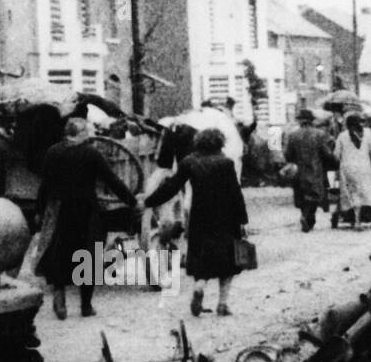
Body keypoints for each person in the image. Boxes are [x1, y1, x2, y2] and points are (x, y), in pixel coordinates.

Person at [33, 118, 138, 319]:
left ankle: (59, 295)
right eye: (87, 131)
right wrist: (132, 201)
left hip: (61, 211)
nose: (89, 134)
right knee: (89, 256)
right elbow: (111, 180)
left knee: (60, 251)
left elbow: (45, 185)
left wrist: (39, 210)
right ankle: (86, 306)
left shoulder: (53, 152)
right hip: (87, 211)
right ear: (80, 133)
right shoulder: (91, 153)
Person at [144, 127, 248, 317]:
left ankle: (200, 286)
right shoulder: (226, 163)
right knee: (228, 260)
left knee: (203, 257)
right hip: (226, 217)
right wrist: (242, 219)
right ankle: (223, 303)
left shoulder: (189, 162)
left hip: (200, 217)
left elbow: (171, 186)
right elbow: (235, 193)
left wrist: (149, 201)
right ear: (220, 143)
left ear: (198, 142)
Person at [283, 109, 336, 231]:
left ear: (300, 121)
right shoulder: (320, 134)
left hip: (299, 171)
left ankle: (304, 215)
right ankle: (307, 216)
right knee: (314, 195)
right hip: (315, 170)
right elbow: (326, 153)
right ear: (312, 121)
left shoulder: (292, 135)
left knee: (301, 195)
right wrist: (334, 161)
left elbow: (287, 155)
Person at [333, 113, 371, 228]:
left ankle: (356, 220)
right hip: (364, 168)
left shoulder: (342, 135)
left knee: (352, 193)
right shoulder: (368, 133)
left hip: (348, 168)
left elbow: (336, 155)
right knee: (366, 193)